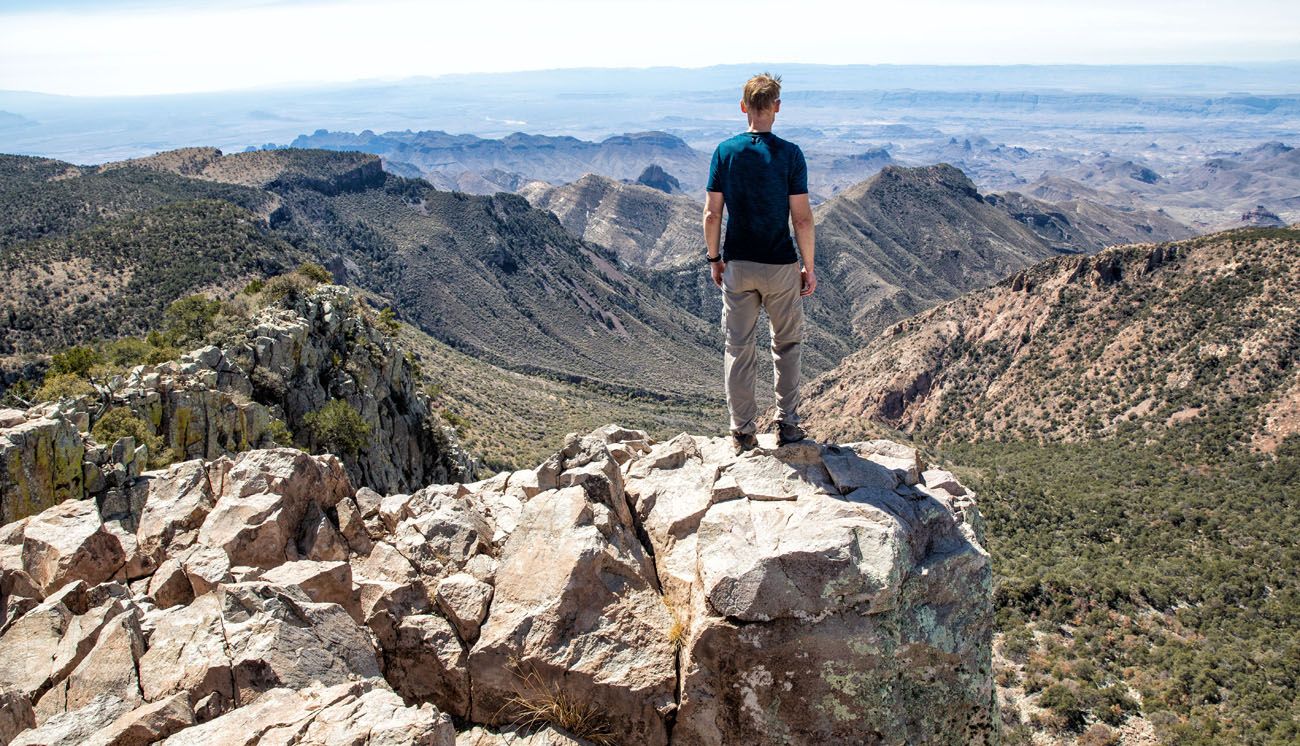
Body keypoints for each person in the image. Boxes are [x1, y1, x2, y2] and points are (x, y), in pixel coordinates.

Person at [703, 72, 816, 454]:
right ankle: (788, 425)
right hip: (780, 264)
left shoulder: (725, 152)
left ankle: (743, 433)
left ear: (743, 107)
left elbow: (711, 214)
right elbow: (801, 218)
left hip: (738, 264)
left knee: (738, 348)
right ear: (777, 108)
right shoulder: (790, 154)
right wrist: (808, 266)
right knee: (786, 346)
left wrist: (714, 258)